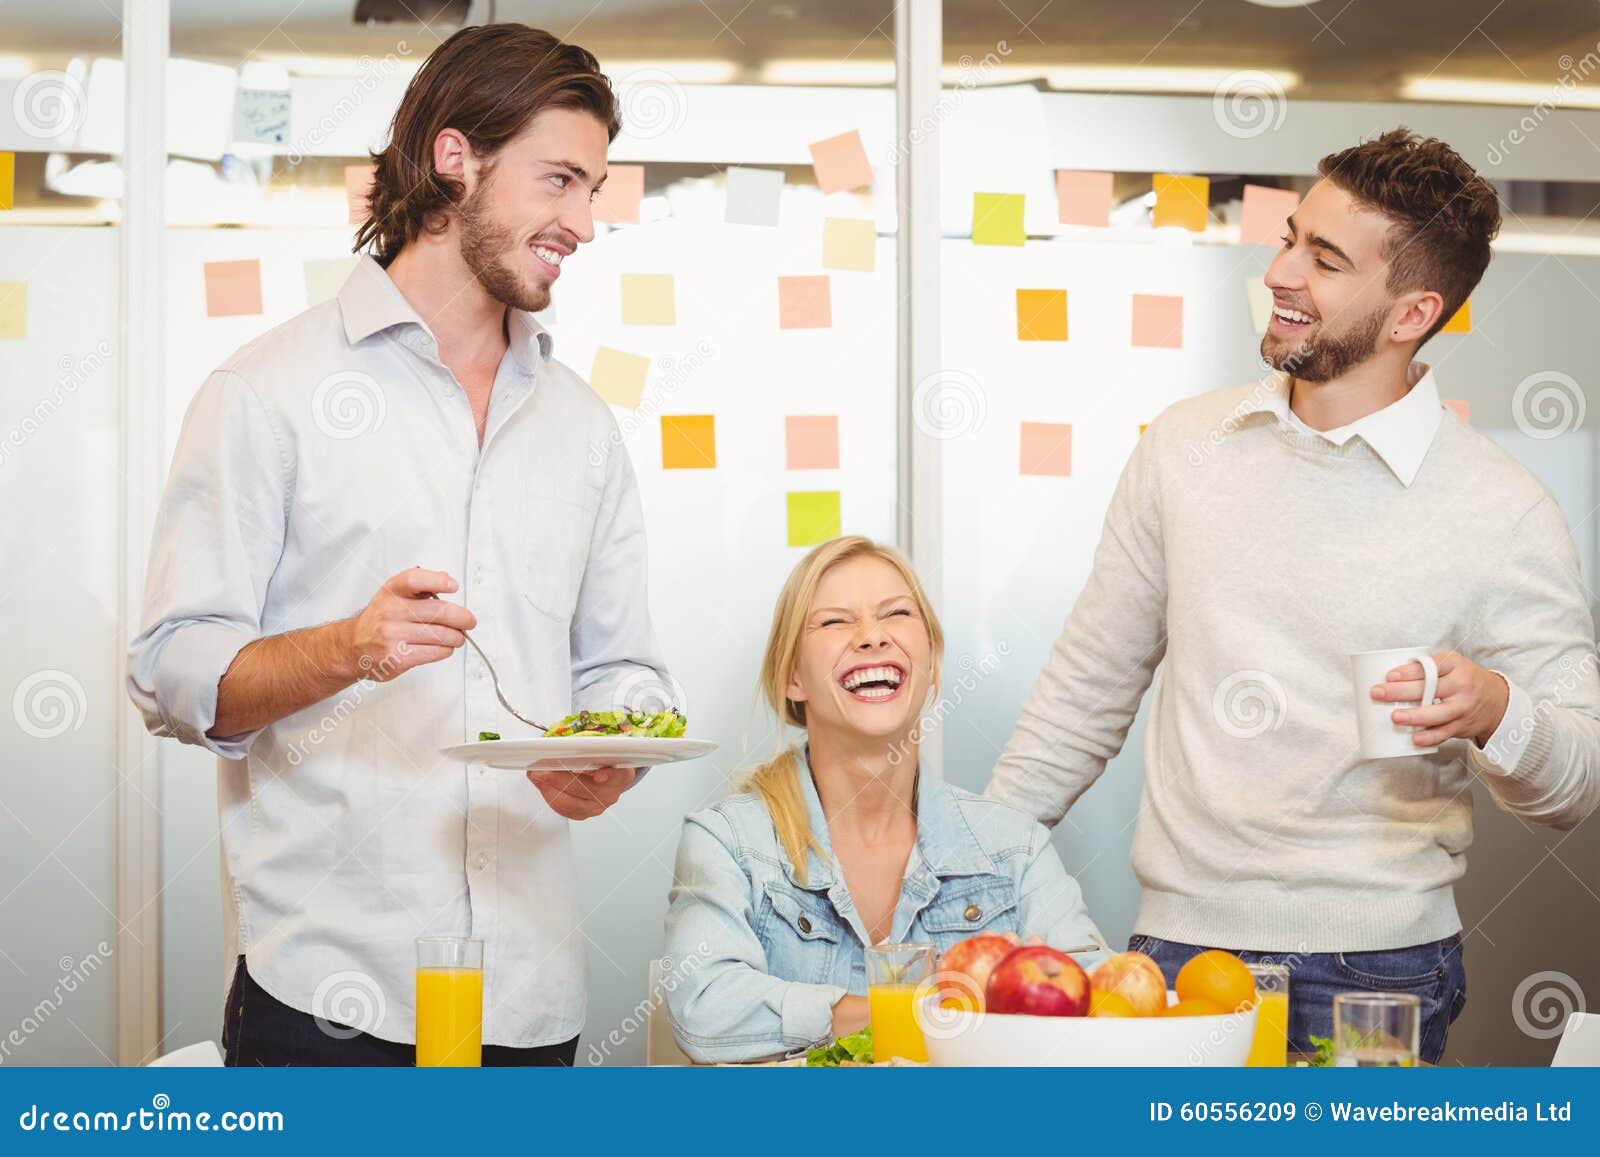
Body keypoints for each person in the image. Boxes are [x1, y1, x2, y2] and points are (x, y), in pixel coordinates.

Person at [986, 128, 1600, 1063]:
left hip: (1379, 971)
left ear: (1411, 313)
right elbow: (1086, 688)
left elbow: (1579, 778)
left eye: (1325, 258)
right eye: (1289, 239)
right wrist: (969, 867)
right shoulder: (1183, 448)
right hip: (1177, 956)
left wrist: (1496, 709)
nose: (1279, 272)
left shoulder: (1502, 508)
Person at [127, 25, 672, 1066]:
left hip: (528, 997)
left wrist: (615, 754)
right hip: (326, 998)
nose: (583, 224)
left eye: (592, 190)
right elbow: (171, 672)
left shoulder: (582, 426)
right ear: (454, 157)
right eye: (559, 181)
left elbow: (623, 669)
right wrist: (348, 646)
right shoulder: (266, 392)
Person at [664, 537, 1108, 1063]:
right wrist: (921, 1013)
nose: (872, 636)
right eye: (835, 622)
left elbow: (1099, 998)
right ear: (794, 678)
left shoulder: (1016, 846)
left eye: (896, 613)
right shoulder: (728, 841)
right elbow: (704, 1009)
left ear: (931, 662)